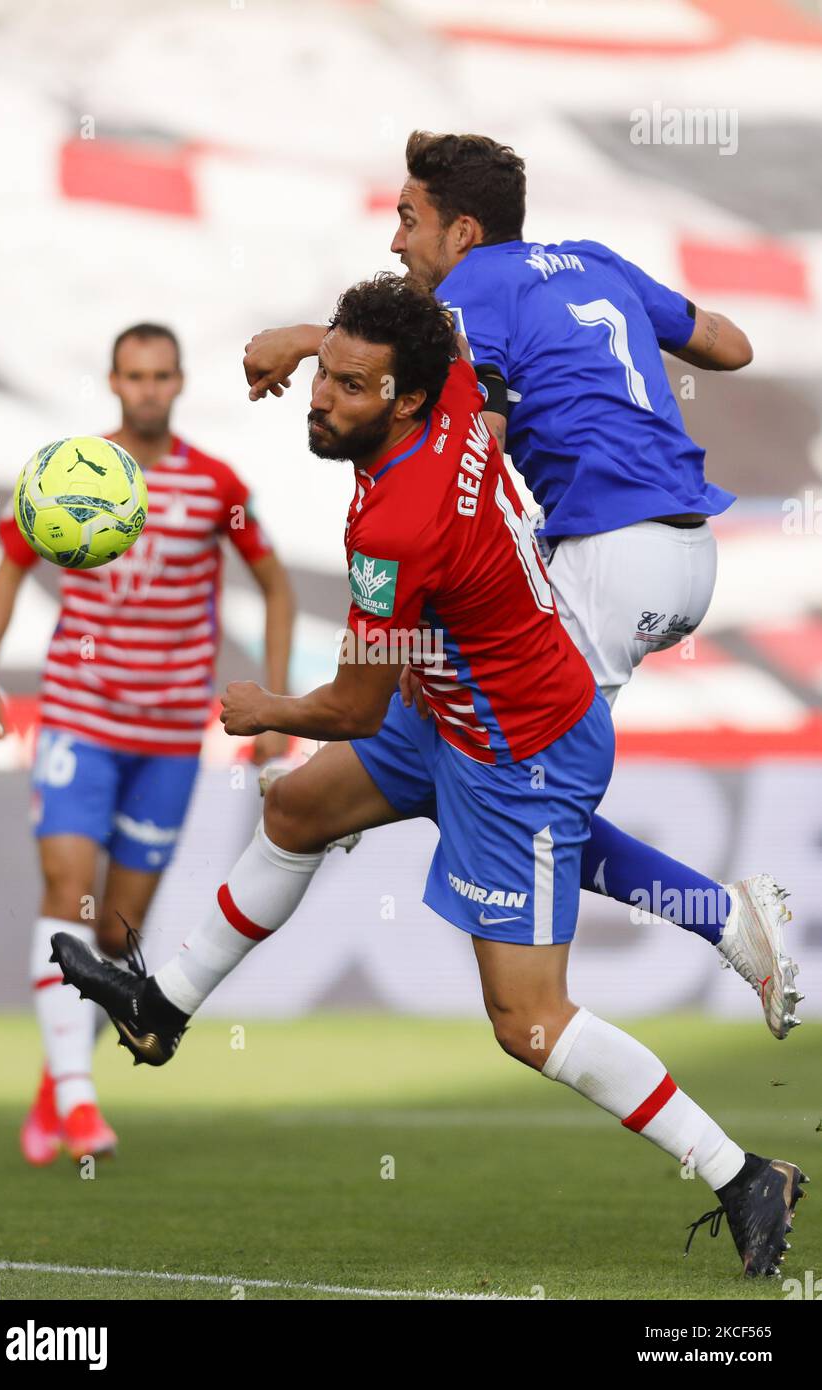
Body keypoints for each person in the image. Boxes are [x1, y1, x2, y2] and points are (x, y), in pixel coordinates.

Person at [52, 275, 805, 1276]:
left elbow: (350, 707)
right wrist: (303, 336)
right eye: (324, 376)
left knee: (527, 1022)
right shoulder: (445, 389)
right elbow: (428, 334)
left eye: (347, 386)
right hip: (448, 703)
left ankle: (739, 1170)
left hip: (515, 749)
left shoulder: (394, 528)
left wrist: (265, 707)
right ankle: (162, 1006)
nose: (321, 398)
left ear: (401, 399)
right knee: (299, 806)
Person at [240, 132, 800, 1041]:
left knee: (514, 766)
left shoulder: (468, 291)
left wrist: (317, 349)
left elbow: (480, 436)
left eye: (409, 219)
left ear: (462, 231)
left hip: (610, 554)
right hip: (686, 553)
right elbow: (728, 346)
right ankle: (348, 789)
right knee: (497, 753)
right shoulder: (590, 261)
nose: (396, 243)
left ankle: (722, 918)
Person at [0, 322, 295, 1165]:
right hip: (79, 716)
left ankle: (54, 1089)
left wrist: (278, 710)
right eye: (134, 376)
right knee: (67, 889)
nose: (147, 389)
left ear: (179, 383)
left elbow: (278, 585)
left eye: (161, 376)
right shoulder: (66, 475)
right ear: (114, 382)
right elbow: (6, 571)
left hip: (170, 734)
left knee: (115, 934)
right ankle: (78, 1105)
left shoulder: (214, 484)